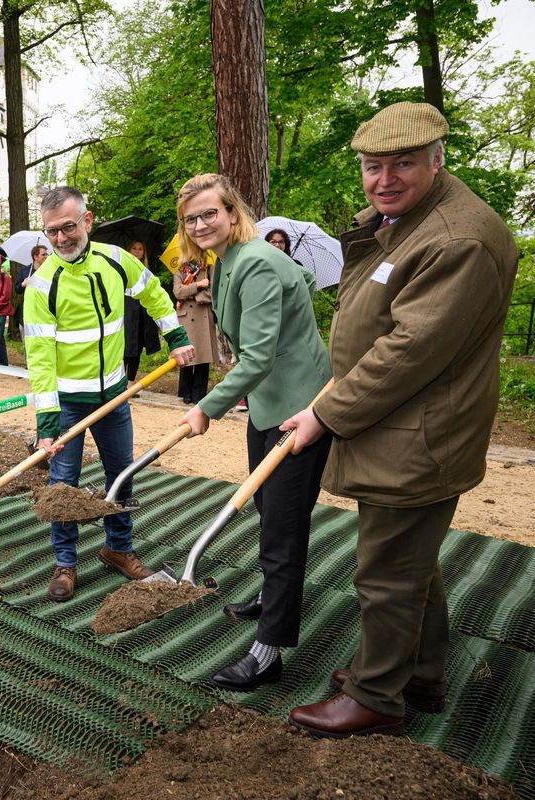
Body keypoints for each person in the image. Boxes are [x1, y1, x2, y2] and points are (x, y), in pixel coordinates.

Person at [282, 102, 518, 737]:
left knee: (386, 573)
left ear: (437, 161)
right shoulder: (410, 222)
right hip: (403, 427)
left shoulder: (456, 238)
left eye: (403, 164)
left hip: (419, 434)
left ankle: (375, 696)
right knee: (412, 563)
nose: (383, 179)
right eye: (372, 166)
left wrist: (325, 414)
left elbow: (406, 353)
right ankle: (419, 673)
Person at [174, 173, 332, 690]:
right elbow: (285, 306)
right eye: (192, 218)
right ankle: (272, 595)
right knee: (268, 511)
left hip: (298, 407)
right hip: (267, 404)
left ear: (232, 211)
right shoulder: (228, 261)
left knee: (282, 530)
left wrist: (206, 406)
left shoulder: (258, 262)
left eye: (209, 214)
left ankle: (269, 652)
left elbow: (259, 354)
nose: (200, 224)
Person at [24, 185, 194, 601]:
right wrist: (46, 426)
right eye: (51, 232)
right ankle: (65, 563)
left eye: (67, 227)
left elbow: (155, 294)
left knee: (123, 475)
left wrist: (175, 335)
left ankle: (118, 549)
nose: (61, 239)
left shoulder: (116, 261)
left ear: (87, 220)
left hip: (114, 395)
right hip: (67, 404)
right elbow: (41, 362)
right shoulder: (41, 286)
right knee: (63, 487)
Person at [172, 253, 220, 405]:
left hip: (204, 317)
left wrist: (190, 295)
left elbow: (213, 293)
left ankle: (199, 393)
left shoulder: (209, 270)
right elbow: (177, 291)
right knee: (186, 355)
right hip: (186, 317)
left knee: (203, 357)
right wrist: (198, 286)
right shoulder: (181, 271)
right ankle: (185, 392)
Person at [121, 240, 161, 391]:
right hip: (126, 311)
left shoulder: (146, 271)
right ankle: (119, 384)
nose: (137, 251)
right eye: (134, 248)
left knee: (137, 348)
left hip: (142, 313)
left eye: (140, 249)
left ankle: (130, 383)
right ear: (128, 250)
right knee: (125, 348)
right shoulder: (122, 268)